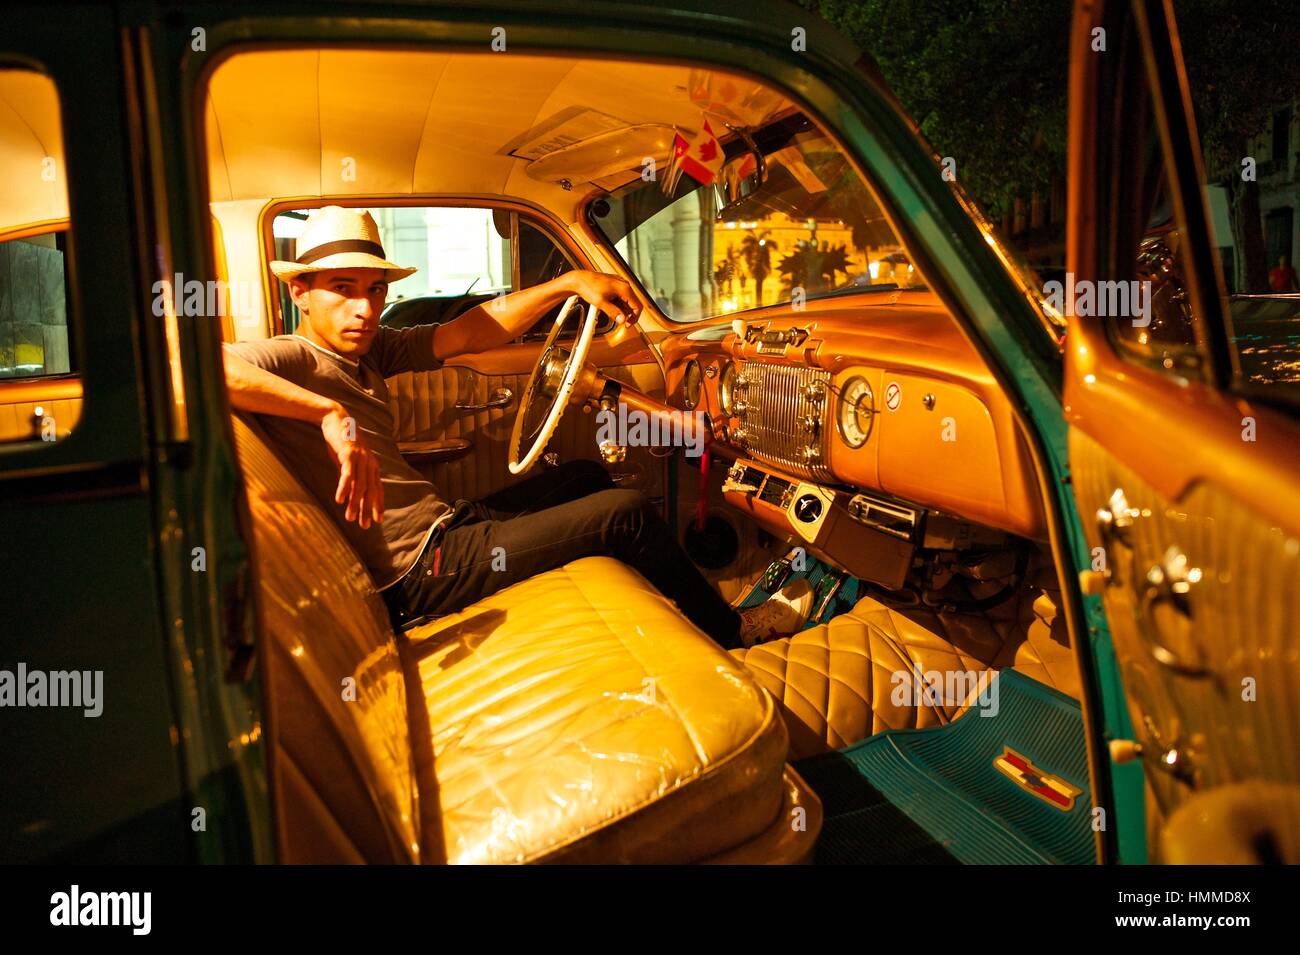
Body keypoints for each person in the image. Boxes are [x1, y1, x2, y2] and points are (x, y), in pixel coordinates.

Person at [223, 206, 812, 649]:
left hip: (445, 528)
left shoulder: (372, 353)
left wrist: (568, 284)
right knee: (625, 511)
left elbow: (473, 331)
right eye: (343, 290)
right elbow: (197, 368)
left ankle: (668, 612)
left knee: (583, 475)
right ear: (299, 291)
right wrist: (329, 413)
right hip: (418, 574)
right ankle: (735, 633)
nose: (365, 310)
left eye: (376, 291)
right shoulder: (292, 357)